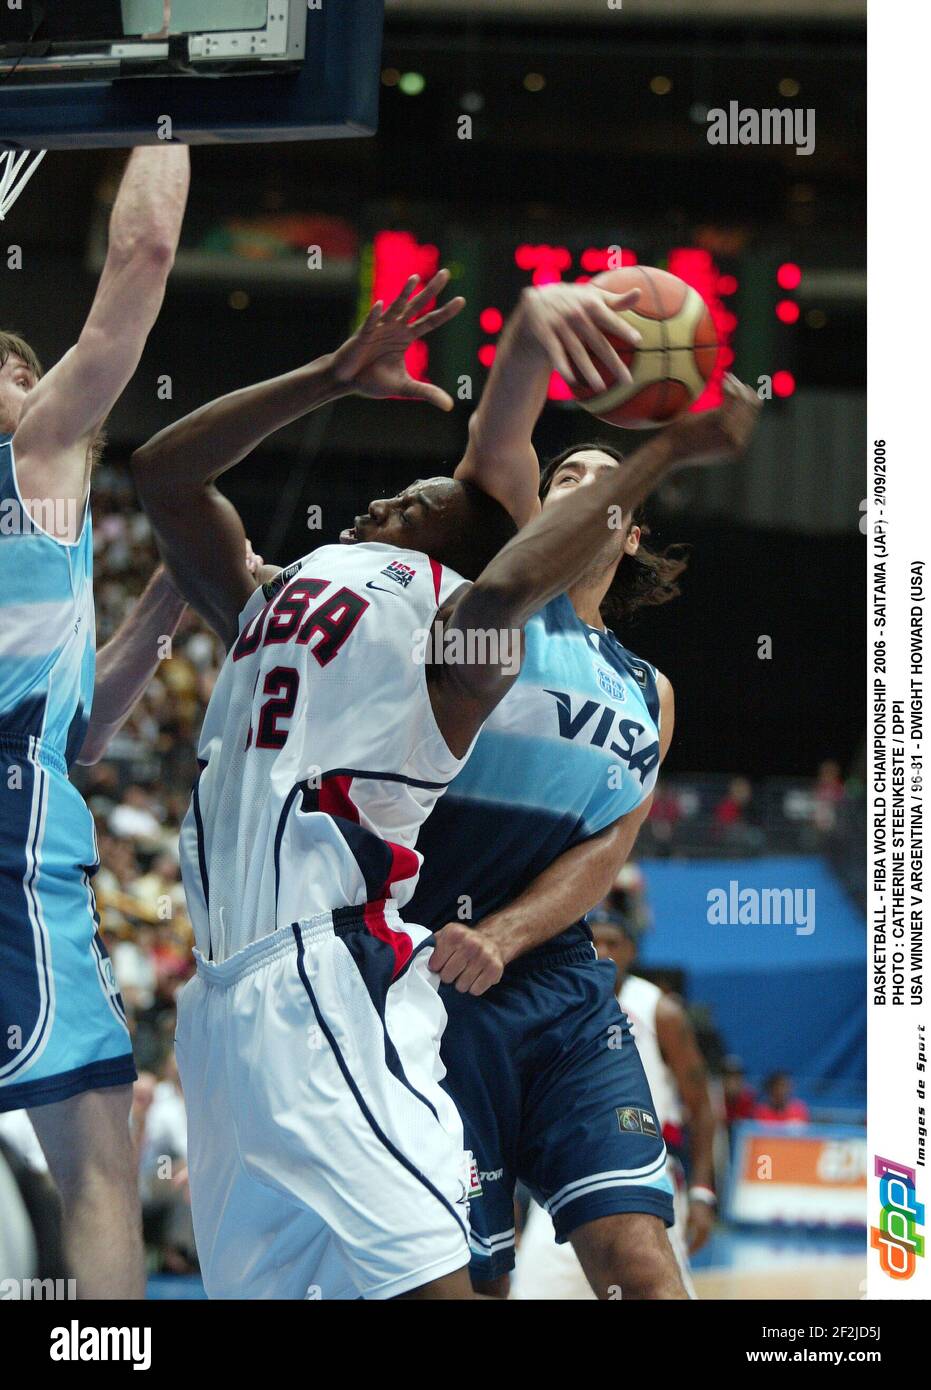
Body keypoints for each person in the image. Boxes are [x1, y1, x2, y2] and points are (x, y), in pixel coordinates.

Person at [130, 270, 761, 1299]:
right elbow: (160, 472)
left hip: (408, 970)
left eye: (420, 498)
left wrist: (660, 453)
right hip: (294, 984)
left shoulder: (487, 631)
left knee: (616, 1267)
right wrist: (345, 373)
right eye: (560, 476)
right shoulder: (293, 596)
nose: (395, 492)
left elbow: (600, 832)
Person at [408, 281, 754, 1299]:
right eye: (565, 475)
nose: (583, 486)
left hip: (552, 984)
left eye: (610, 478)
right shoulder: (497, 602)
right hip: (422, 973)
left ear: (635, 531)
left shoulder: (653, 690)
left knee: (640, 1268)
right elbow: (499, 429)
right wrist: (536, 336)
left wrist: (510, 936)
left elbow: (606, 850)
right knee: (468, 1282)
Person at [0, 145, 190, 1298]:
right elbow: (144, 252)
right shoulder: (33, 458)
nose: (27, 376)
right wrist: (169, 103)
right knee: (96, 1159)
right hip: (16, 827)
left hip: (35, 783)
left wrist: (169, 596)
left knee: (100, 1153)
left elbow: (82, 740)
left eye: (29, 368)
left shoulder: (44, 503)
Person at [511, 898, 717, 1299]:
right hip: (564, 1174)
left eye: (613, 943)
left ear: (632, 950)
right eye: (595, 942)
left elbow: (702, 1107)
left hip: (644, 1170)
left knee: (653, 1288)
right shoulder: (557, 1001)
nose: (603, 952)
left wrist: (702, 1191)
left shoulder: (662, 1010)